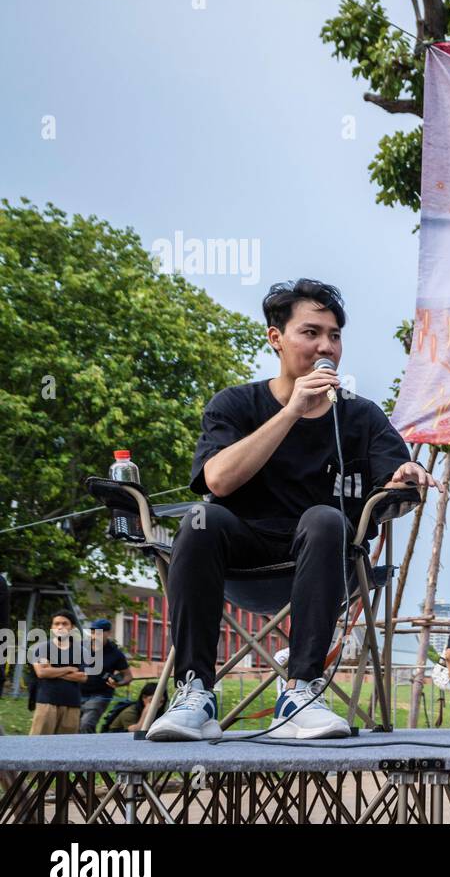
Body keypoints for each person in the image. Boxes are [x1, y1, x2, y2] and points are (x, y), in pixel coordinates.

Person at [147, 279, 435, 742]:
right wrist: (292, 411)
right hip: (241, 561)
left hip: (326, 559)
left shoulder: (361, 417)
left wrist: (405, 475)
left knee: (323, 517)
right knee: (200, 519)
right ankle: (195, 693)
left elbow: (394, 486)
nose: (327, 346)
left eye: (335, 335)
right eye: (312, 332)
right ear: (275, 338)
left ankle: (301, 691)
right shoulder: (236, 404)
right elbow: (217, 480)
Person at [30, 610, 87, 735]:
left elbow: (82, 677)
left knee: (66, 749)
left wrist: (52, 670)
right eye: (56, 624)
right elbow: (41, 673)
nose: (60, 627)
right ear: (51, 627)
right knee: (38, 745)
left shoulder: (81, 651)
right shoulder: (41, 648)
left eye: (65, 624)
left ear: (72, 628)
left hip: (72, 704)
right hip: (46, 703)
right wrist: (68, 668)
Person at [79, 619, 132, 733]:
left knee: (86, 724)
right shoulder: (80, 647)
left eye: (99, 632)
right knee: (72, 725)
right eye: (92, 632)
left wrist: (118, 683)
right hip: (76, 691)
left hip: (99, 695)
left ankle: (87, 749)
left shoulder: (115, 653)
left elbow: (128, 676)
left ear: (108, 633)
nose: (94, 636)